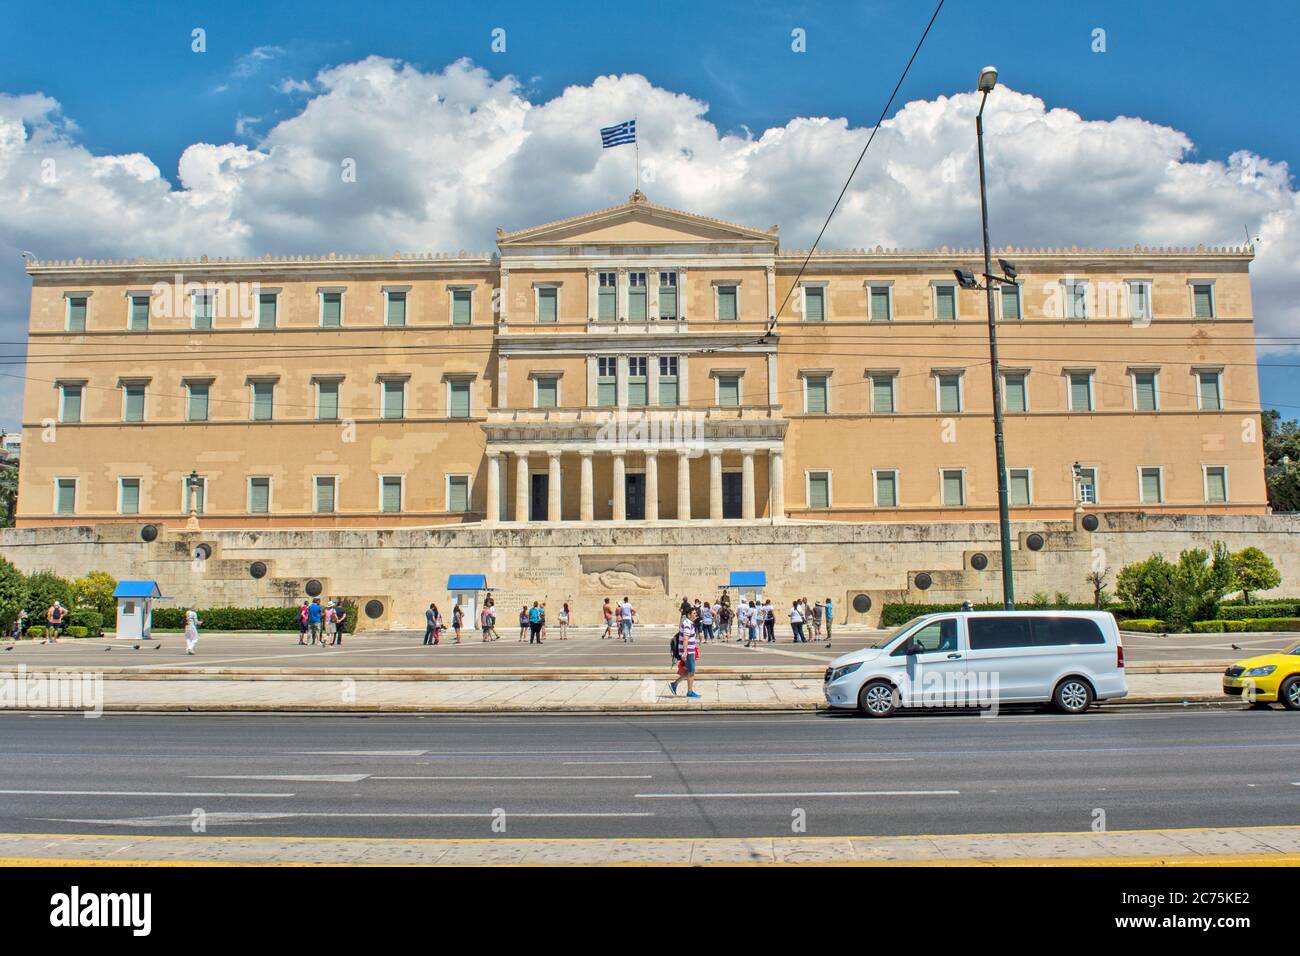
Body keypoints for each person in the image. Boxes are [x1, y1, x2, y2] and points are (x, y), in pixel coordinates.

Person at [669, 608, 701, 699]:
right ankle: (689, 692)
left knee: (689, 671)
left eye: (696, 613)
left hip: (690, 651)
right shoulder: (687, 624)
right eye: (694, 613)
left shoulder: (689, 623)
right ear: (689, 615)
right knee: (691, 672)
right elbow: (685, 639)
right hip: (688, 652)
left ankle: (675, 684)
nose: (696, 614)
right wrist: (685, 652)